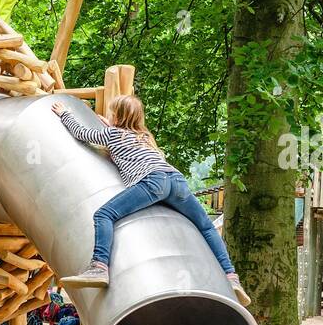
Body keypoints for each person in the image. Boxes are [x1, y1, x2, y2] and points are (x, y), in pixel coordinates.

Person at [50, 96, 251, 307]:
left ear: (116, 117)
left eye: (111, 113)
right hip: (176, 181)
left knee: (104, 214)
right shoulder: (145, 137)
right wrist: (111, 127)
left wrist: (65, 113)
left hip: (152, 181)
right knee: (206, 226)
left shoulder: (113, 134)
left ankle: (99, 268)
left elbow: (82, 134)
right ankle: (231, 277)